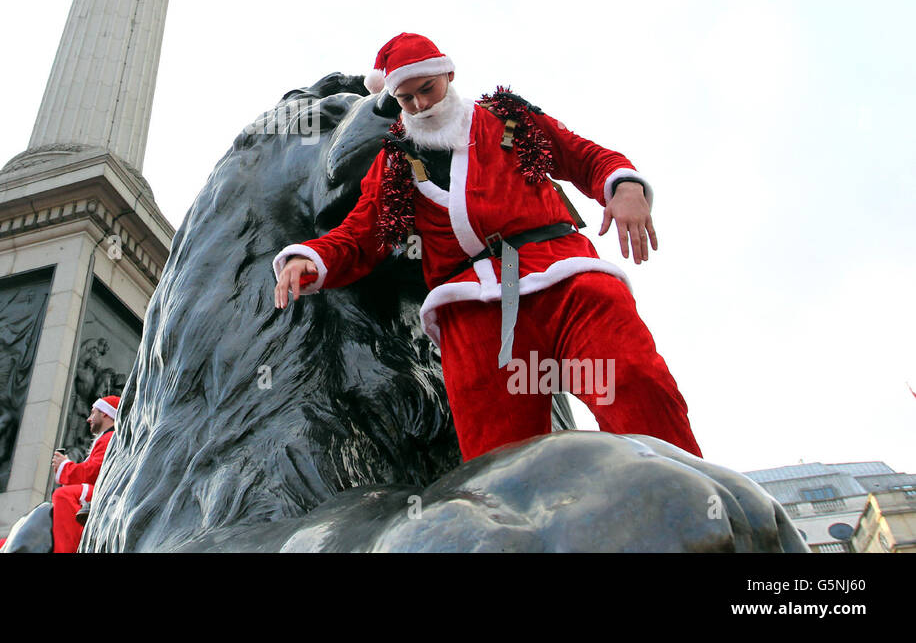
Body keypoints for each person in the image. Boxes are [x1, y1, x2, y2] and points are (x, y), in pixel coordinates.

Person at [273, 33, 701, 463]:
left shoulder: (509, 119)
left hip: (564, 279)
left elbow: (583, 156)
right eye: (407, 98)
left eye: (428, 89)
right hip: (474, 314)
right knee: (498, 462)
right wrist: (308, 259)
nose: (421, 104)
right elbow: (362, 233)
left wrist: (624, 187)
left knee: (635, 383)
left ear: (448, 75)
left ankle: (692, 503)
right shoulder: (396, 161)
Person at [48, 396, 118, 553]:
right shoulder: (106, 438)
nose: (88, 419)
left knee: (63, 495)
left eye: (93, 413)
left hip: (107, 493)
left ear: (106, 414)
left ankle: (68, 549)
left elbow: (94, 471)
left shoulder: (110, 438)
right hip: (101, 490)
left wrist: (65, 467)